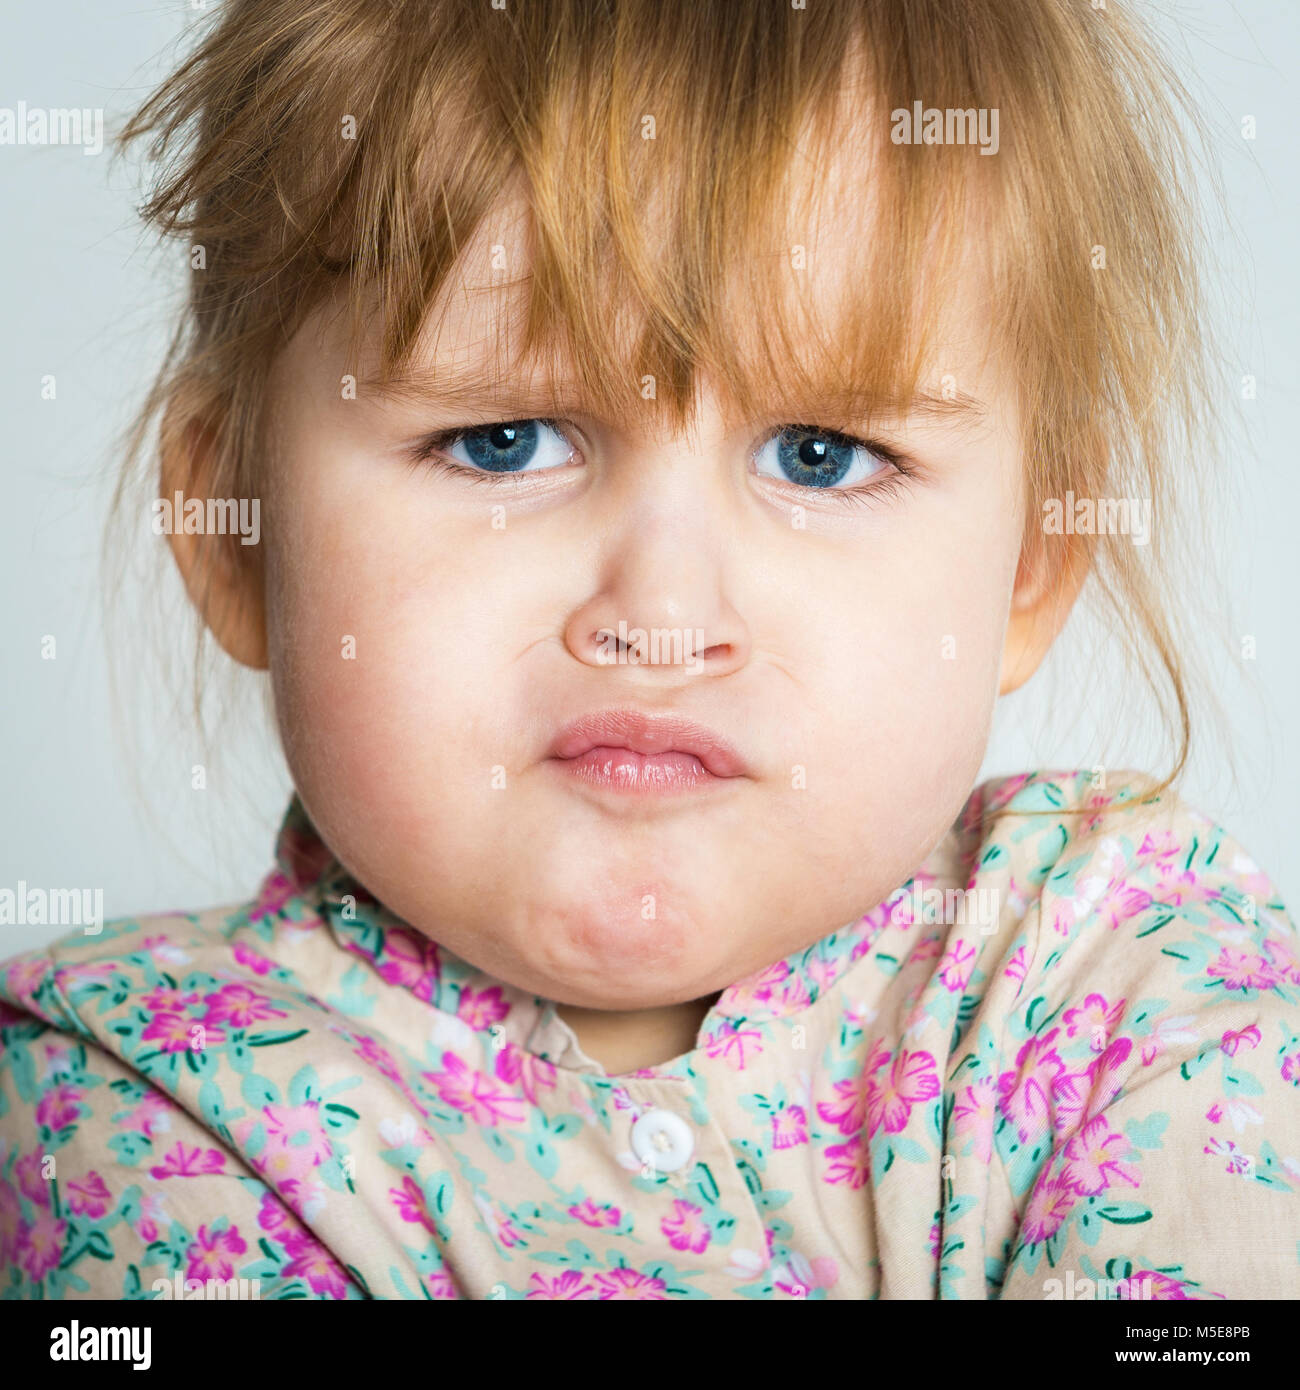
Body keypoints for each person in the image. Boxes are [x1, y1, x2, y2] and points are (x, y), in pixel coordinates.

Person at [2, 0, 1297, 1300]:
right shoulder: (123, 1111)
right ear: (237, 529)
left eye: (821, 457)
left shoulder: (1128, 976)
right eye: (503, 440)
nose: (664, 614)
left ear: (1031, 564)